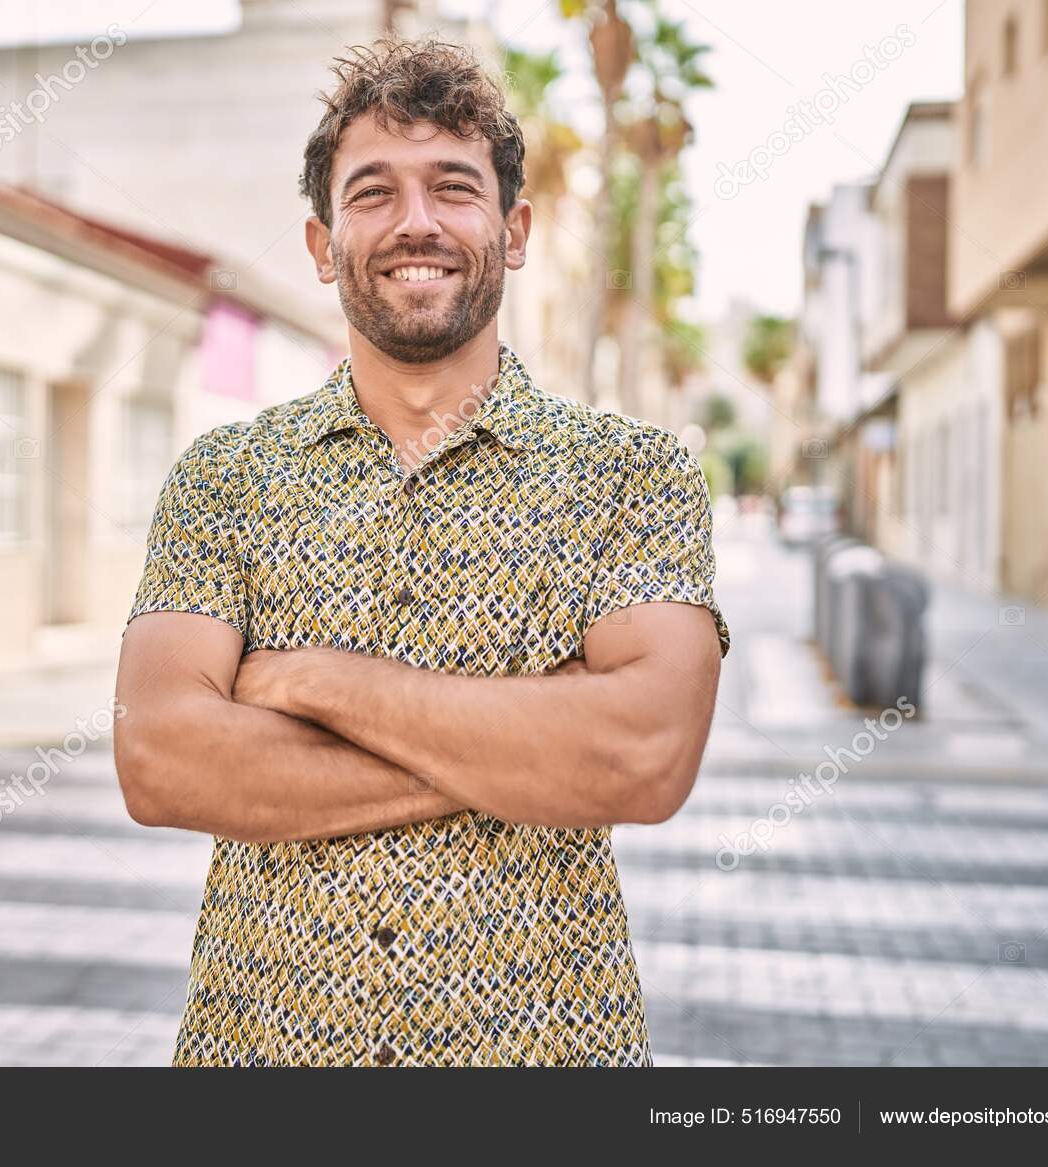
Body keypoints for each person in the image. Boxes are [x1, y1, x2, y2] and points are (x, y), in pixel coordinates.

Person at [113, 36, 729, 1067]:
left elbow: (642, 756)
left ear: (514, 228)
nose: (416, 223)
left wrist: (315, 681)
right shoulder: (225, 478)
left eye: (454, 186)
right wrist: (534, 743)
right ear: (321, 243)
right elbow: (162, 762)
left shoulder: (635, 475)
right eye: (372, 193)